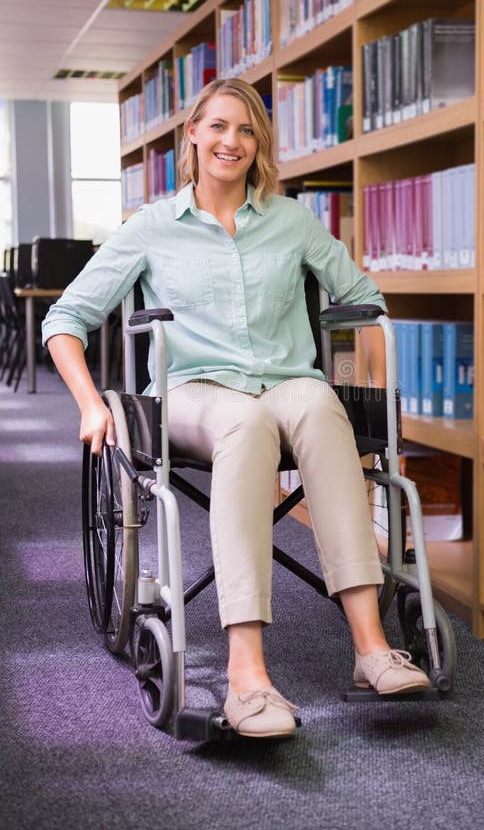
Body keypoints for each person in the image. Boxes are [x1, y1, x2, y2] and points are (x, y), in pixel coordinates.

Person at [42, 77, 430, 739]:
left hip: (283, 385)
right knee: (244, 421)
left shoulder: (290, 221)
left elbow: (364, 297)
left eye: (247, 130)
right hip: (196, 394)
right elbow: (66, 319)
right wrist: (88, 403)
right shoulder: (152, 228)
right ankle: (247, 673)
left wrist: (363, 385)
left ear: (260, 145)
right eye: (219, 126)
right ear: (191, 134)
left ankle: (370, 646)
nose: (232, 141)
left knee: (318, 403)